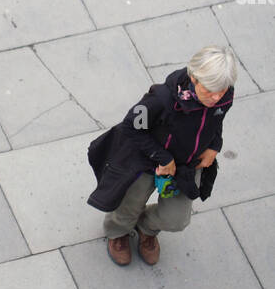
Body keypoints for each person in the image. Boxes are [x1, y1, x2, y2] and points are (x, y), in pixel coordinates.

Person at [87, 46, 237, 266]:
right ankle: (118, 233)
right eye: (210, 90)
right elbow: (131, 125)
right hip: (146, 161)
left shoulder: (223, 95)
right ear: (194, 78)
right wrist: (163, 158)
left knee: (177, 219)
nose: (216, 97)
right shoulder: (160, 98)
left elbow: (216, 121)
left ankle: (146, 228)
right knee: (130, 203)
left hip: (187, 166)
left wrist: (215, 145)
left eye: (221, 91)